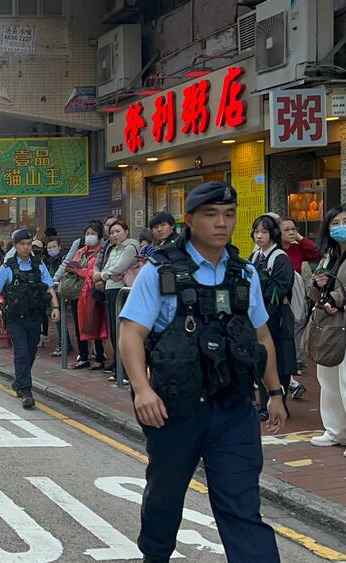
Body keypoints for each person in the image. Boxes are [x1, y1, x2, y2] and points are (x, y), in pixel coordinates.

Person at [118, 181, 286, 562]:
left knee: (242, 507)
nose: (221, 223)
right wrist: (143, 390)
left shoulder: (245, 274)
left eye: (229, 214)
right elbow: (131, 332)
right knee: (165, 498)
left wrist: (275, 393)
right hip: (176, 411)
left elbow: (262, 335)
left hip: (233, 410)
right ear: (190, 220)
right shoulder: (160, 271)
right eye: (211, 215)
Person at [0, 229, 60, 409]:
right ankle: (26, 391)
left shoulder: (38, 265)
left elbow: (49, 287)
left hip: (34, 317)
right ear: (15, 246)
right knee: (22, 353)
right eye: (21, 244)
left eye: (28, 244)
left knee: (31, 352)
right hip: (15, 319)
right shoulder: (7, 267)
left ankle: (19, 382)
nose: (25, 247)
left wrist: (55, 307)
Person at [249, 214, 298, 419]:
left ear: (273, 234)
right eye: (256, 232)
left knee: (281, 360)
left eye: (264, 232)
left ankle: (280, 403)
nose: (259, 236)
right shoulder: (255, 256)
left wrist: (260, 278)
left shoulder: (279, 257)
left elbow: (281, 289)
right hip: (260, 314)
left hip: (277, 315)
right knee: (262, 358)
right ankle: (263, 404)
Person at [307, 205, 346, 451]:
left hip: (341, 323)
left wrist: (335, 297)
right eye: (335, 223)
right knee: (327, 378)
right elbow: (313, 292)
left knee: (345, 380)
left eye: (345, 220)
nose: (340, 226)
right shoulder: (329, 256)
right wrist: (317, 284)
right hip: (329, 326)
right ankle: (335, 430)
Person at [96, 220, 140, 382]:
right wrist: (106, 273)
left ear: (126, 231)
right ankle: (119, 369)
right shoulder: (114, 248)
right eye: (112, 232)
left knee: (122, 332)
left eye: (118, 231)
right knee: (115, 332)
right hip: (111, 290)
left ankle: (128, 372)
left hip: (122, 292)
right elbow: (108, 267)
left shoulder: (130, 246)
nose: (114, 235)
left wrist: (102, 275)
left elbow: (117, 268)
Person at [280, 217, 323, 378]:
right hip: (280, 294)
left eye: (294, 229)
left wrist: (299, 238)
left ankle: (298, 362)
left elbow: (318, 251)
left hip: (296, 293)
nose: (291, 232)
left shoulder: (297, 248)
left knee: (298, 326)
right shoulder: (274, 250)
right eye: (287, 230)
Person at [69, 222, 108, 370]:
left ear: (99, 236)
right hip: (77, 293)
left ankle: (99, 357)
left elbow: (92, 273)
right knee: (79, 326)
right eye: (87, 234)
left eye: (92, 234)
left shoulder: (102, 253)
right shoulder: (80, 251)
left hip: (92, 293)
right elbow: (71, 265)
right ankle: (83, 357)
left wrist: (79, 271)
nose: (89, 237)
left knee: (95, 323)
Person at [43, 237, 68, 352]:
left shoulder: (63, 259)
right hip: (54, 292)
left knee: (60, 319)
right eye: (49, 247)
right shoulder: (49, 261)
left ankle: (65, 345)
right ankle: (64, 344)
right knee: (58, 320)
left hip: (61, 292)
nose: (52, 249)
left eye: (54, 247)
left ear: (59, 247)